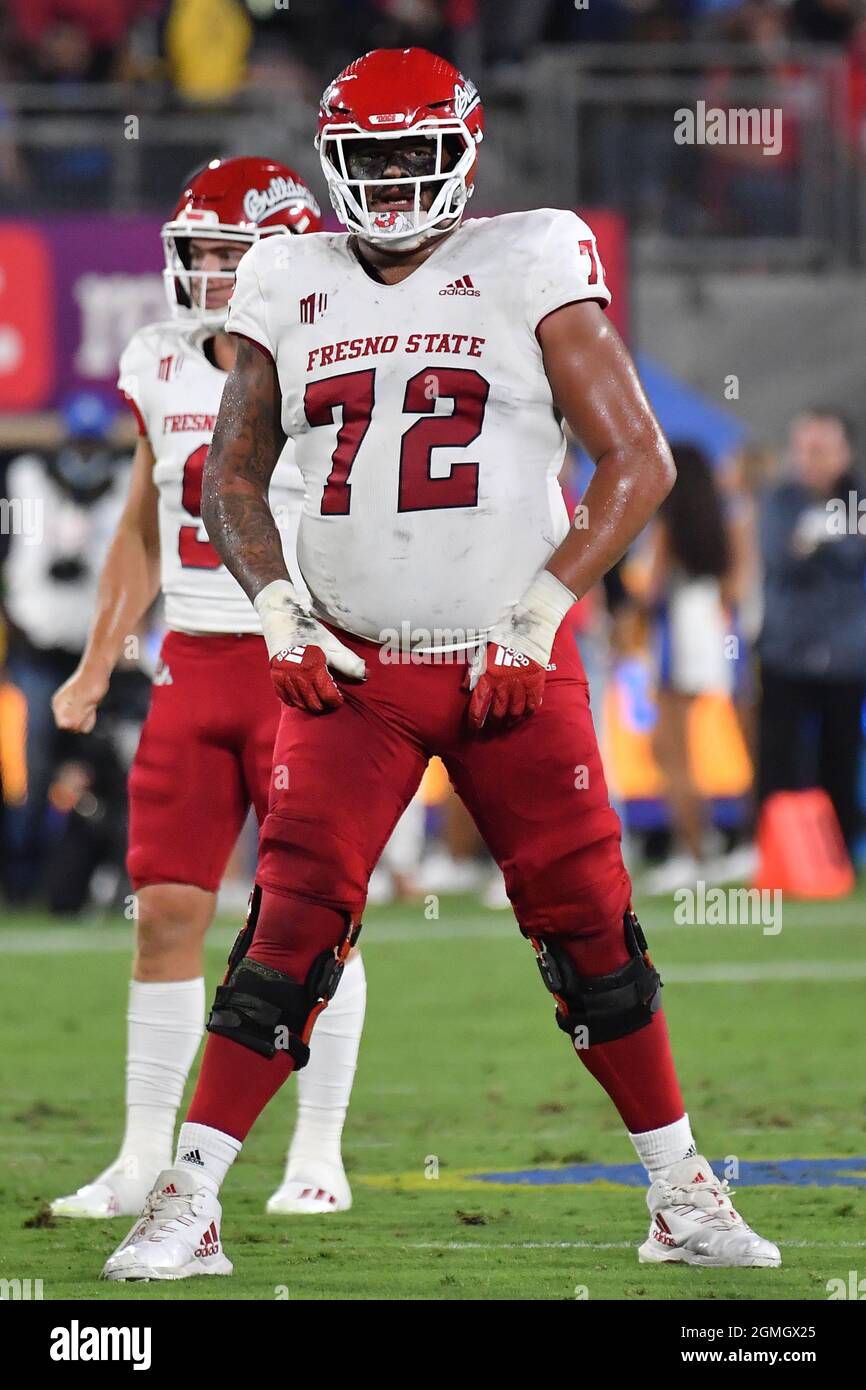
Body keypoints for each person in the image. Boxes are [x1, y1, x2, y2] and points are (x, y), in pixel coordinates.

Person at [103, 47, 780, 1280]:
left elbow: (639, 460)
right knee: (289, 930)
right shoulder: (287, 273)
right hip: (352, 668)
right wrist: (278, 615)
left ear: (465, 152)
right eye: (371, 161)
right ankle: (187, 1198)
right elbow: (229, 476)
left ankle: (681, 1193)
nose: (396, 184)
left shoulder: (529, 257)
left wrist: (536, 613)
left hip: (506, 661)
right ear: (331, 163)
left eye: (418, 157)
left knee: (590, 932)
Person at [50, 157, 367, 1220]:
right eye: (201, 251)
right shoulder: (161, 360)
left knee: (312, 916)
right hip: (190, 661)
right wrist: (101, 659)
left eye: (233, 251)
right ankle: (143, 1157)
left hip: (298, 663)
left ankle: (316, 1150)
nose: (212, 269)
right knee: (166, 910)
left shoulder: (331, 353)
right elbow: (144, 523)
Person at [1, 391, 134, 901]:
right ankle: (21, 882)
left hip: (98, 661)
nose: (83, 454)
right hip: (37, 652)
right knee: (31, 771)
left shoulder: (124, 487)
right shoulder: (26, 482)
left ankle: (87, 885)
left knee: (106, 772)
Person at [757, 408, 866, 852]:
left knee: (840, 757)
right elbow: (780, 558)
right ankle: (775, 849)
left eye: (820, 449)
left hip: (846, 654)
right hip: (786, 649)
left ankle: (839, 853)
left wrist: (819, 540)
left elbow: (851, 557)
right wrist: (827, 540)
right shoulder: (778, 498)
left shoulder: (858, 496)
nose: (809, 460)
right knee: (777, 760)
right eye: (803, 449)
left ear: (843, 452)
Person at [639, 443, 735, 893]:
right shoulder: (720, 519)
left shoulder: (669, 523)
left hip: (677, 629)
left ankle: (692, 854)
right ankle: (705, 843)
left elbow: (652, 587)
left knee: (673, 752)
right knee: (677, 750)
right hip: (707, 626)